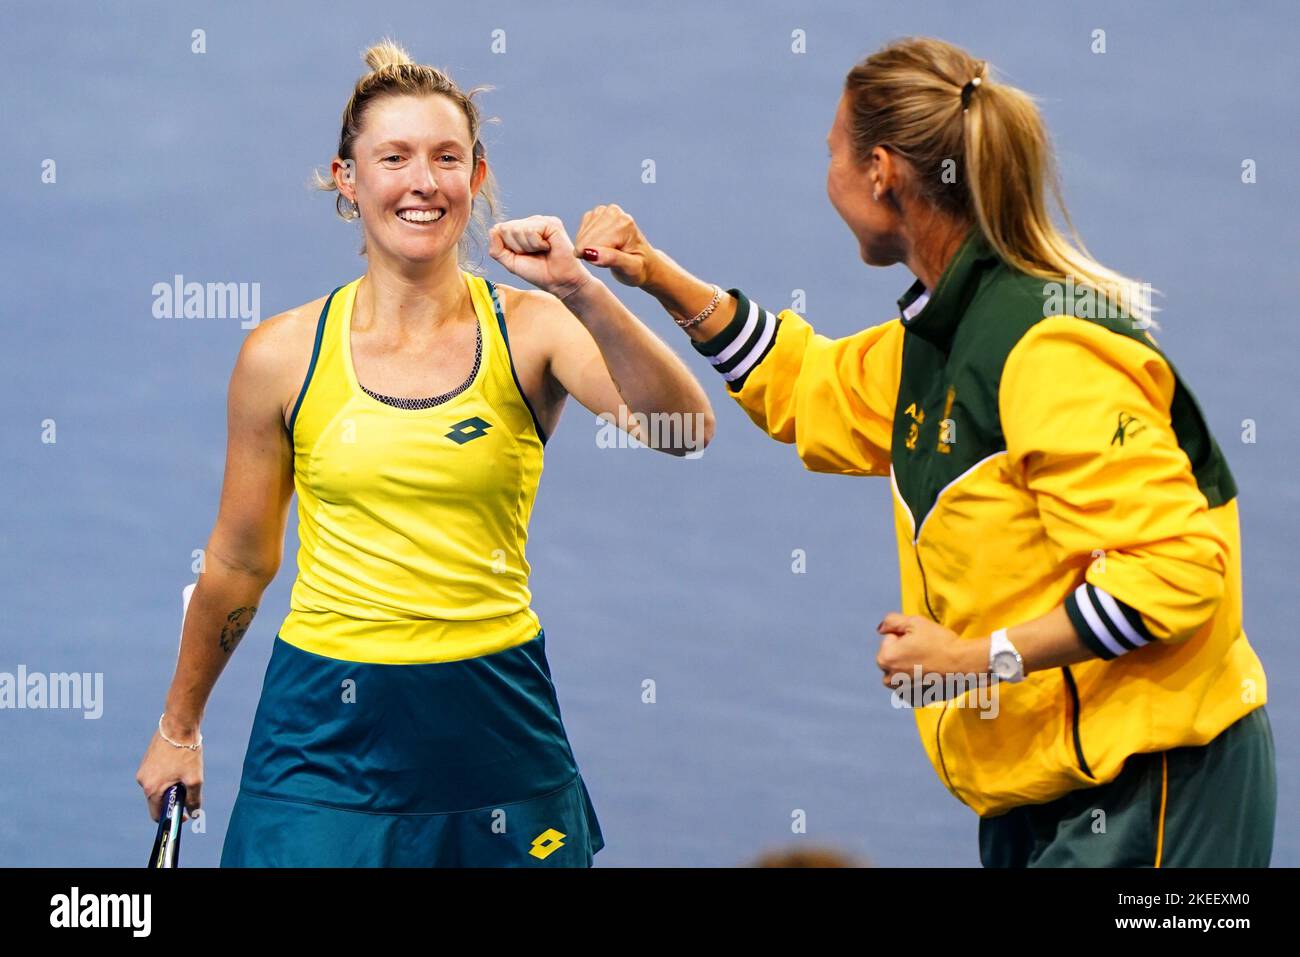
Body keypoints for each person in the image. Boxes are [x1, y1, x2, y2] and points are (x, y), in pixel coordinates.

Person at [575, 36, 1275, 867]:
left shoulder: (1047, 348)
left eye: (831, 154)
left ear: (879, 172)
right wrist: (654, 275)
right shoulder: (944, 333)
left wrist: (976, 657)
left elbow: (1177, 571)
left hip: (1154, 789)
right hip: (1042, 783)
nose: (826, 176)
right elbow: (808, 389)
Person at [134, 37, 714, 867]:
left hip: (493, 722)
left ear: (476, 179)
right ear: (348, 178)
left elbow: (684, 432)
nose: (422, 183)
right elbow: (237, 557)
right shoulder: (281, 354)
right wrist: (179, 725)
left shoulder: (536, 330)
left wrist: (584, 293)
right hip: (321, 731)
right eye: (394, 157)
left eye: (447, 158)